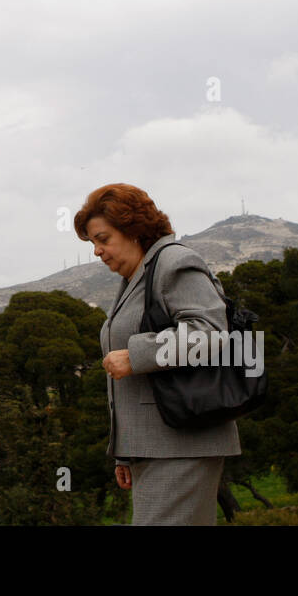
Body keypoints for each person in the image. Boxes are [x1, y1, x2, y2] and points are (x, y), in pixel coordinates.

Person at [74, 183, 240, 525]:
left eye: (103, 239)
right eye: (93, 243)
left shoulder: (175, 262)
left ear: (134, 229)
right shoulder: (137, 276)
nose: (97, 251)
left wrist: (136, 356)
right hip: (155, 448)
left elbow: (210, 332)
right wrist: (125, 452)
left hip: (182, 444)